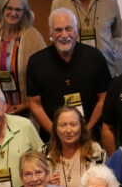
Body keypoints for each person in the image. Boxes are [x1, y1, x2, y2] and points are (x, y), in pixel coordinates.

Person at [25, 8, 111, 137]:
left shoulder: (94, 57)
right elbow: (34, 103)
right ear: (51, 32)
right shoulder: (36, 62)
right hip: (51, 136)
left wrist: (88, 129)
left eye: (68, 29)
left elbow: (104, 97)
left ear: (76, 31)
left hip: (89, 134)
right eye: (58, 30)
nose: (64, 35)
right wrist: (55, 132)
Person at [51, 0, 122, 75]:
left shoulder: (110, 1)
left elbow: (115, 32)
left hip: (107, 70)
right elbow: (55, 38)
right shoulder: (59, 4)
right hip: (74, 72)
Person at [0, 0, 44, 116]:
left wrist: (26, 104)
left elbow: (44, 75)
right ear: (2, 10)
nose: (13, 13)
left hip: (30, 109)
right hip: (0, 109)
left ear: (24, 13)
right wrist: (0, 102)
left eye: (18, 10)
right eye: (9, 8)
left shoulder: (33, 36)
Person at [44, 104, 105, 187]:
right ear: (55, 128)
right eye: (63, 125)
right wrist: (44, 183)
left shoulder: (94, 150)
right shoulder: (45, 152)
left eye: (73, 124)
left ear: (81, 126)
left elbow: (105, 185)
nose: (68, 130)